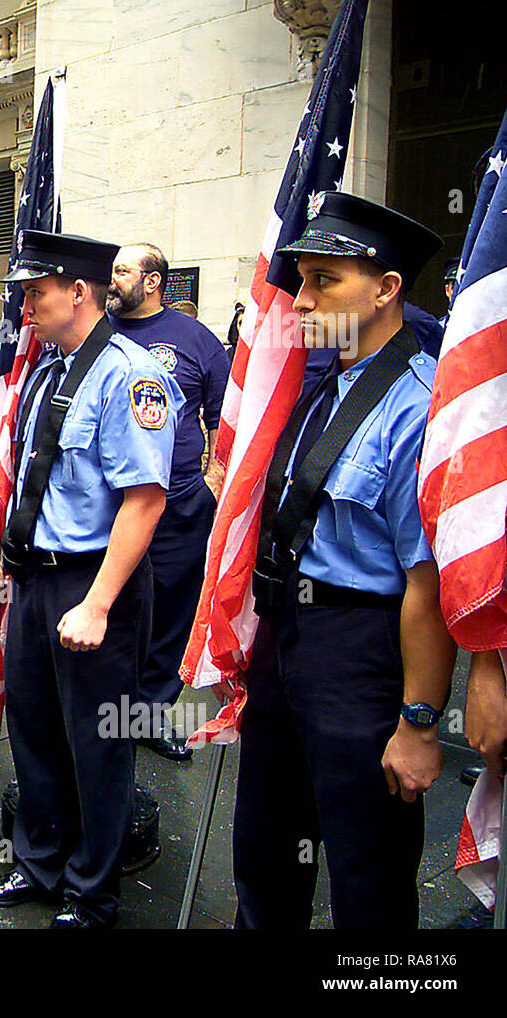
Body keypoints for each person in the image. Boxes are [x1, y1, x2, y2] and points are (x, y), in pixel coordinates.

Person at [235, 192, 456, 930]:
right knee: (267, 840)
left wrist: (419, 722)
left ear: (387, 288)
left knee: (366, 865)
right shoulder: (323, 389)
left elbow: (427, 584)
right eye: (301, 280)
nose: (301, 300)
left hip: (361, 650)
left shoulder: (415, 406)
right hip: (287, 637)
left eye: (324, 281)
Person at [0, 230, 180, 929]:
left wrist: (96, 604)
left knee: (97, 743)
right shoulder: (44, 371)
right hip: (34, 580)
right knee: (34, 732)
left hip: (94, 584)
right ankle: (39, 864)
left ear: (78, 292)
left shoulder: (131, 374)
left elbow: (144, 500)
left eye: (36, 291)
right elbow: (20, 472)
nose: (25, 305)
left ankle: (91, 892)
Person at [108, 243, 230, 761]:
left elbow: (225, 418)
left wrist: (212, 483)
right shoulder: (99, 335)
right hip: (112, 506)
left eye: (121, 271)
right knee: (112, 608)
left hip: (180, 505)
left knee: (172, 613)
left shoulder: (194, 340)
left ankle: (151, 717)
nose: (111, 280)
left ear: (153, 281)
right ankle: (106, 713)